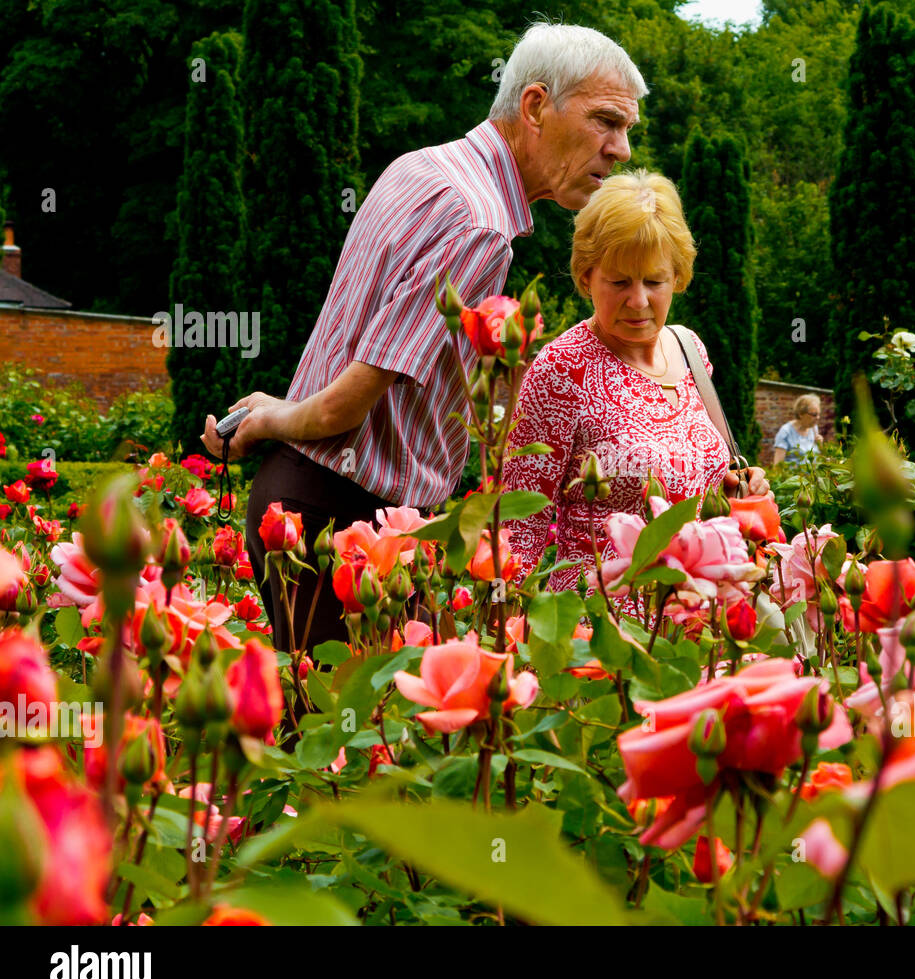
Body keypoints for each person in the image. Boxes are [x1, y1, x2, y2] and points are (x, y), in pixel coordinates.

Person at [198, 23, 647, 651]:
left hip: (307, 504)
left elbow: (353, 361)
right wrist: (268, 424)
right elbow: (345, 404)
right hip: (347, 523)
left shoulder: (422, 167)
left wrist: (274, 409)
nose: (621, 149)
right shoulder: (480, 226)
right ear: (536, 106)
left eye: (626, 129)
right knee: (371, 744)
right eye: (606, 121)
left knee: (367, 735)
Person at [500, 170, 769, 593]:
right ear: (587, 275)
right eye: (620, 281)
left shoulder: (689, 350)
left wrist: (734, 484)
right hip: (599, 628)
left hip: (698, 623)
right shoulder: (563, 367)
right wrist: (501, 631)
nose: (639, 300)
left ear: (678, 278)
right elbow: (518, 525)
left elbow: (692, 472)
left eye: (655, 281)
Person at [772, 394, 823, 465]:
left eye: (819, 414)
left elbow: (818, 457)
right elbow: (778, 464)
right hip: (794, 475)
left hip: (813, 475)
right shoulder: (786, 431)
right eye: (814, 414)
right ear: (801, 414)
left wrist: (820, 446)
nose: (818, 417)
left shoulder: (814, 428)